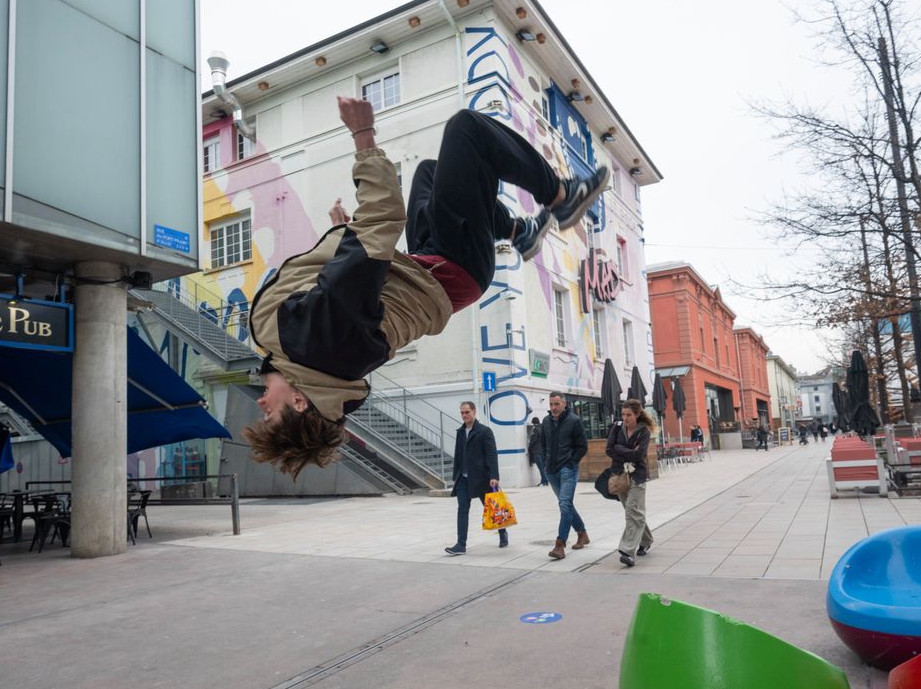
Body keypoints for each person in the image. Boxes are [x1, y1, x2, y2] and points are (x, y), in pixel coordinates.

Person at [246, 98, 611, 478]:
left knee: (429, 174)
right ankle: (561, 197)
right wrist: (363, 135)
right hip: (454, 266)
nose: (261, 400)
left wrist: (343, 236)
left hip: (425, 263)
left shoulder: (319, 360)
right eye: (269, 411)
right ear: (301, 402)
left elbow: (342, 285)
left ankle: (519, 232)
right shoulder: (318, 342)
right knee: (466, 130)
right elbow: (383, 218)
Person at [445, 401, 501, 555]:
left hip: (481, 478)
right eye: (462, 413)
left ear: (474, 412)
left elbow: (492, 454)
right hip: (463, 478)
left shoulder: (484, 431)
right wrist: (456, 475)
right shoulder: (460, 432)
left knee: (491, 509)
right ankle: (460, 545)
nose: (464, 415)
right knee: (462, 509)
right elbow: (458, 454)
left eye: (467, 412)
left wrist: (494, 475)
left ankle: (502, 533)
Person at [541, 392, 589, 560]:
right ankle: (582, 533)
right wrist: (544, 463)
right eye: (551, 404)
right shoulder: (546, 421)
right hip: (551, 470)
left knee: (564, 503)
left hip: (568, 469)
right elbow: (542, 444)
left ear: (564, 404)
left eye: (557, 404)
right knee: (566, 504)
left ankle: (560, 544)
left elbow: (582, 446)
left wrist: (572, 462)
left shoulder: (574, 420)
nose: (553, 408)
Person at [608, 399, 654, 567]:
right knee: (633, 511)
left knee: (632, 511)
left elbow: (639, 455)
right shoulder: (617, 427)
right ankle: (646, 539)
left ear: (637, 414)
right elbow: (609, 449)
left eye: (629, 415)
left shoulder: (644, 432)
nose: (625, 418)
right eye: (623, 414)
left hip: (638, 476)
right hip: (620, 476)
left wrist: (618, 449)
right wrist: (626, 451)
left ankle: (627, 551)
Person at [527, 417, 547, 486]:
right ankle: (544, 481)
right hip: (542, 451)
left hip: (536, 451)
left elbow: (533, 440)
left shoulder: (536, 429)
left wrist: (529, 447)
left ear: (533, 422)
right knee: (543, 467)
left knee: (540, 468)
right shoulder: (542, 428)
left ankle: (544, 482)